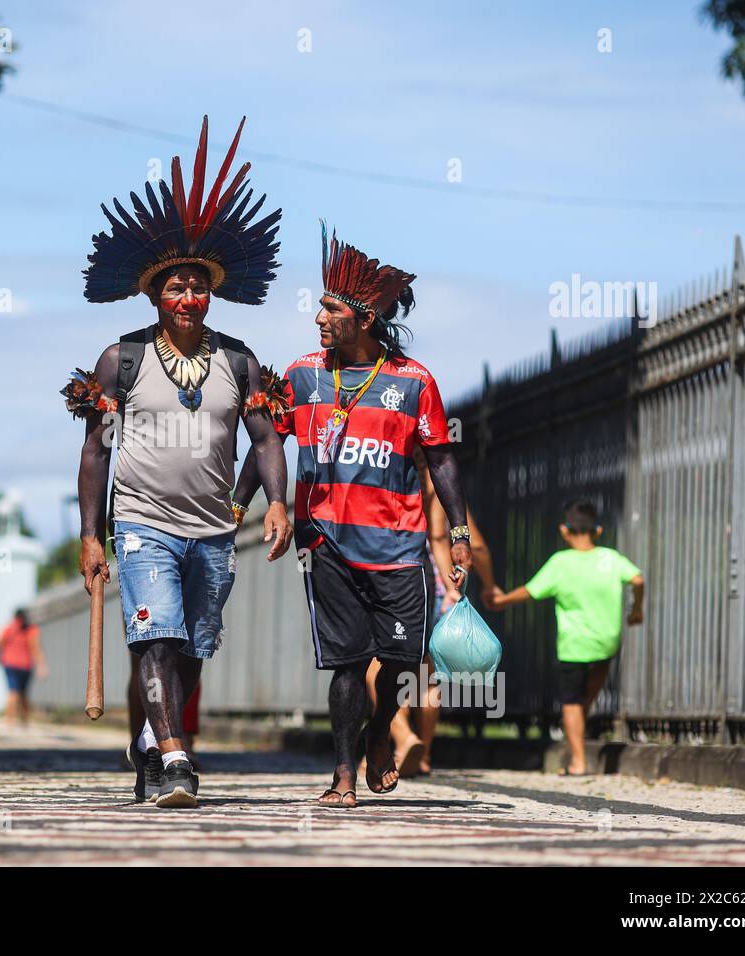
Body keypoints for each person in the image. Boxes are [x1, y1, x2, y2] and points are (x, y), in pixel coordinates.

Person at [67, 116, 292, 808]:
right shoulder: (121, 360)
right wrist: (90, 533)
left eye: (199, 285)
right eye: (176, 286)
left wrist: (276, 501)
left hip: (214, 529)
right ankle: (175, 761)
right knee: (154, 636)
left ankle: (148, 736)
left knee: (189, 648)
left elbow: (265, 438)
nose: (189, 296)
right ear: (154, 295)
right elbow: (94, 451)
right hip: (141, 524)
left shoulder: (238, 360)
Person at [234, 224, 473, 808]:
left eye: (330, 308)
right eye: (319, 307)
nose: (318, 317)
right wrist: (244, 503)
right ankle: (342, 773)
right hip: (327, 542)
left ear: (364, 318)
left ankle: (378, 737)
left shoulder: (414, 383)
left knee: (396, 660)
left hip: (398, 544)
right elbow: (267, 445)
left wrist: (460, 531)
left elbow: (440, 460)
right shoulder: (301, 375)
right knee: (345, 665)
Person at [488, 499, 644, 775]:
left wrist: (502, 601)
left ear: (564, 530)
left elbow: (530, 590)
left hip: (574, 645)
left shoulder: (560, 563)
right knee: (586, 698)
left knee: (571, 702)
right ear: (598, 530)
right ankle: (577, 730)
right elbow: (638, 579)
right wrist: (637, 610)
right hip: (607, 642)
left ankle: (578, 762)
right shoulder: (609, 557)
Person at [381, 448, 498, 778]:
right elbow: (475, 544)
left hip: (398, 583)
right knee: (429, 679)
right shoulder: (439, 486)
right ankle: (425, 753)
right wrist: (488, 586)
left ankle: (404, 740)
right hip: (438, 587)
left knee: (389, 667)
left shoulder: (385, 480)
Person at [0, 608, 46, 723]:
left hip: (10, 664)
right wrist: (41, 665)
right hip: (24, 665)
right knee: (22, 693)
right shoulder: (31, 630)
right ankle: (23, 719)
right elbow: (36, 648)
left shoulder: (7, 629)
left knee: (13, 692)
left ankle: (10, 720)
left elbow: (0, 644)